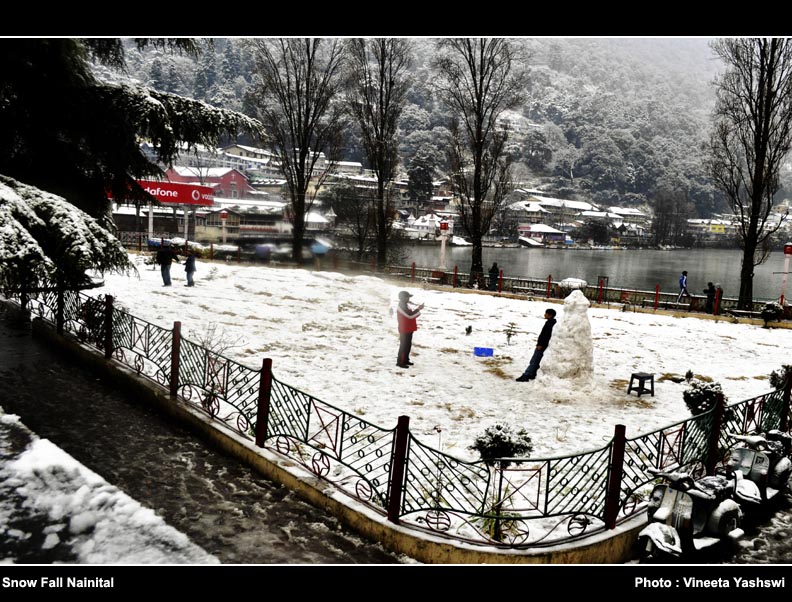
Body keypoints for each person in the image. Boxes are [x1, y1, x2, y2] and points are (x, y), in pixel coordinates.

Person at [516, 308, 557, 382]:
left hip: (542, 346)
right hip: (543, 345)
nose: (544, 315)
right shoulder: (551, 322)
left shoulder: (550, 324)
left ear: (550, 315)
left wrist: (540, 344)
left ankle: (526, 375)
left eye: (546, 313)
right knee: (536, 360)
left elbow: (546, 335)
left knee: (534, 360)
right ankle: (533, 374)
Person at [396, 290, 424, 369]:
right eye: (408, 297)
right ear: (404, 298)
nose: (409, 298)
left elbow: (410, 315)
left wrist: (418, 309)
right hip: (404, 329)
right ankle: (400, 362)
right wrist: (418, 309)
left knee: (407, 345)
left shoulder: (404, 305)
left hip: (408, 328)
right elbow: (410, 316)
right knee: (404, 345)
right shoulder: (401, 306)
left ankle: (405, 360)